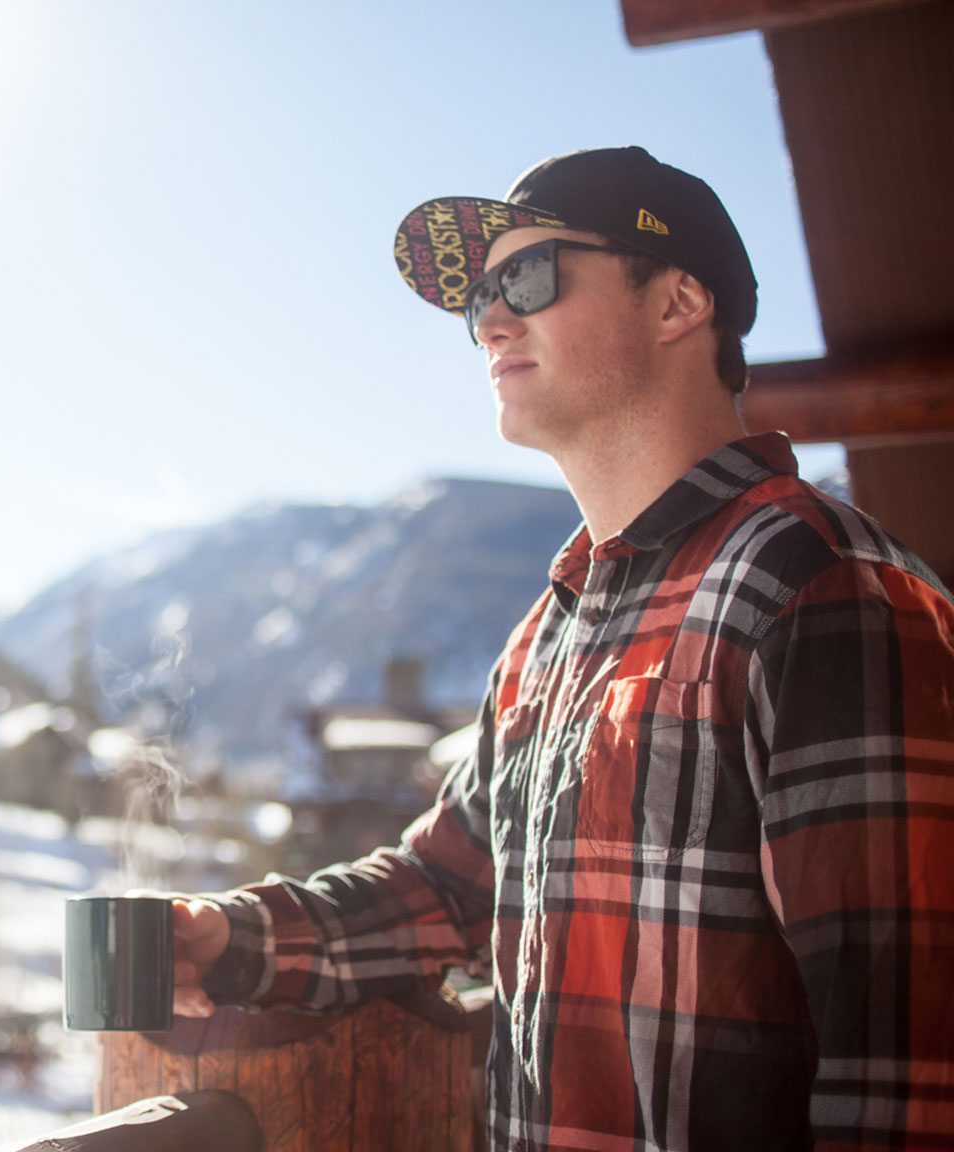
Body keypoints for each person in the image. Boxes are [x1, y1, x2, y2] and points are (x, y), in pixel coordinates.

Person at [167, 147, 954, 1150]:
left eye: (528, 280)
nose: (490, 322)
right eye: (476, 302)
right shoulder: (551, 629)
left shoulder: (818, 583)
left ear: (676, 302)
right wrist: (234, 937)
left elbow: (904, 1064)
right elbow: (453, 882)